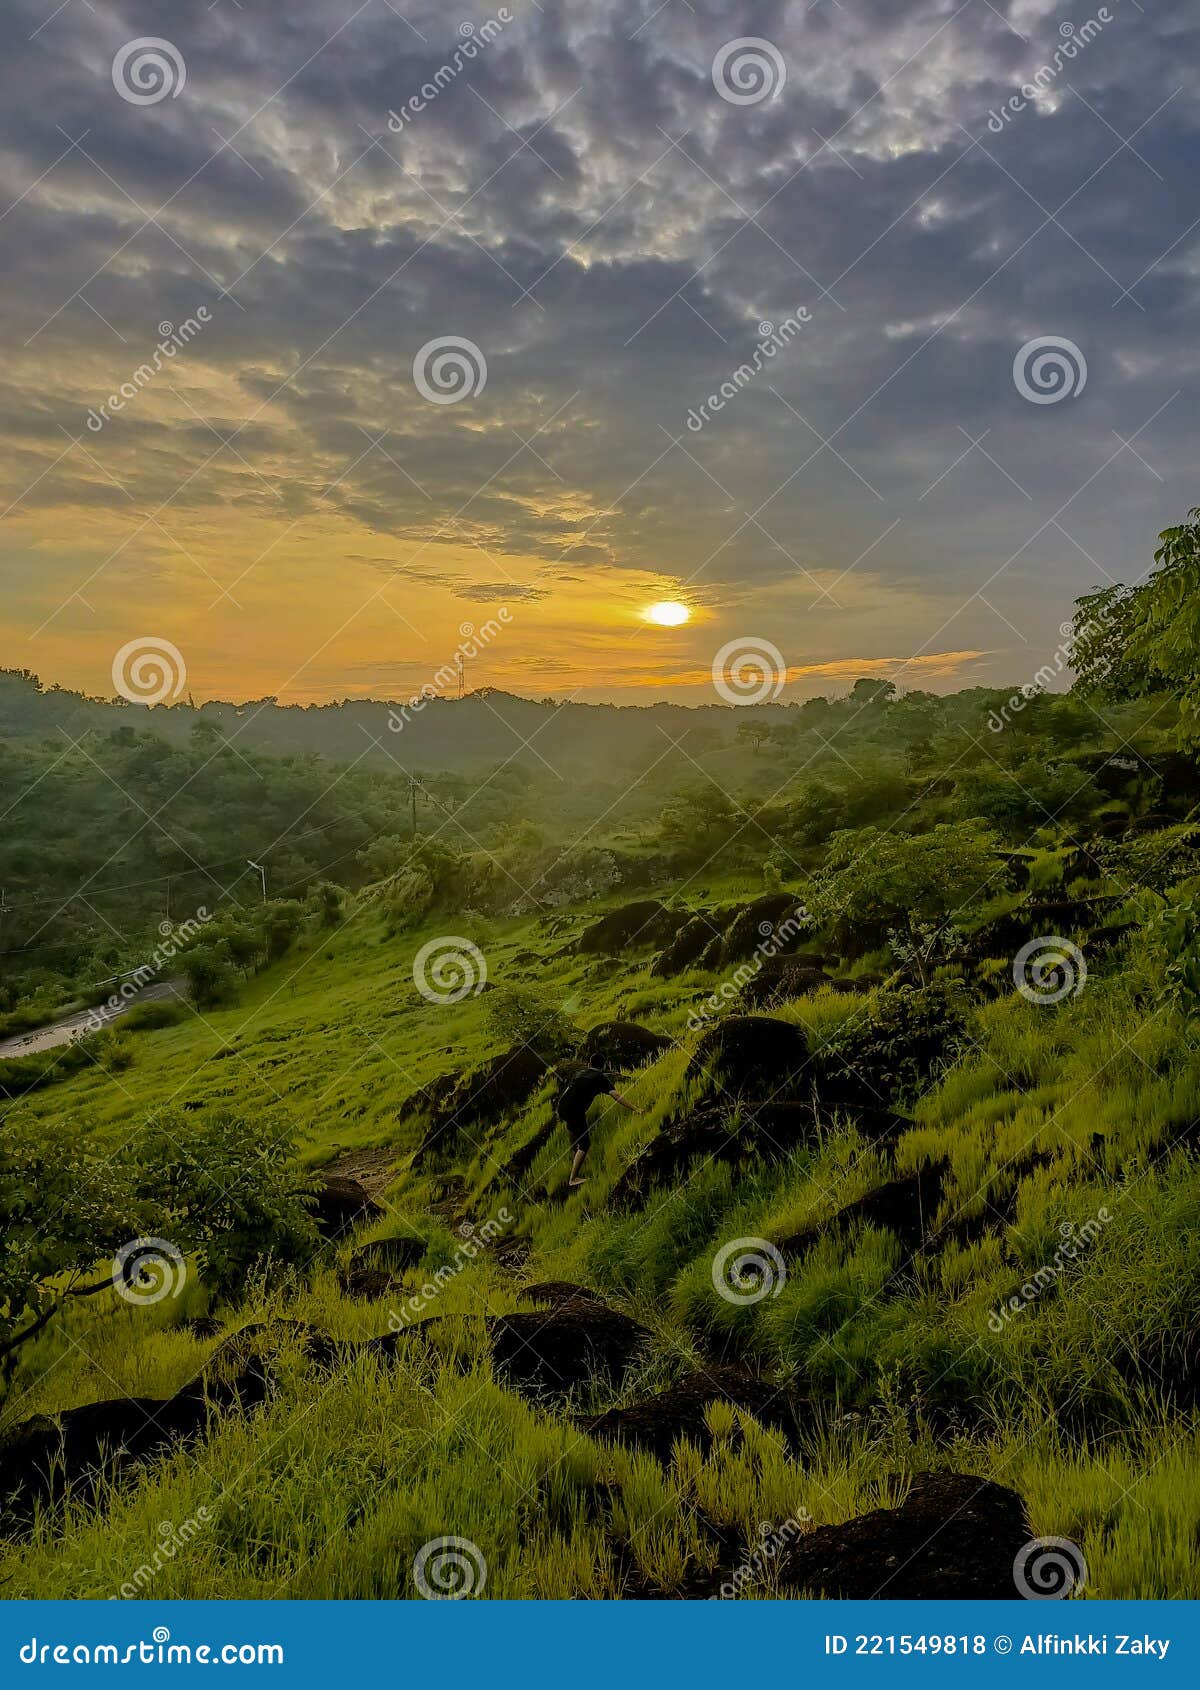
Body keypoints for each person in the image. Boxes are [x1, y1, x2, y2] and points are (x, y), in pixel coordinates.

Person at [555, 1063, 637, 1187]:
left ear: (589, 1064)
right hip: (575, 1111)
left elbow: (570, 1088)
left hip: (561, 1107)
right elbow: (615, 1095)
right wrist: (635, 1108)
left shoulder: (580, 1073)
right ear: (602, 1066)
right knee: (585, 1144)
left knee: (573, 1129)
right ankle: (573, 1179)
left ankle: (574, 1154)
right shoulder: (600, 1078)